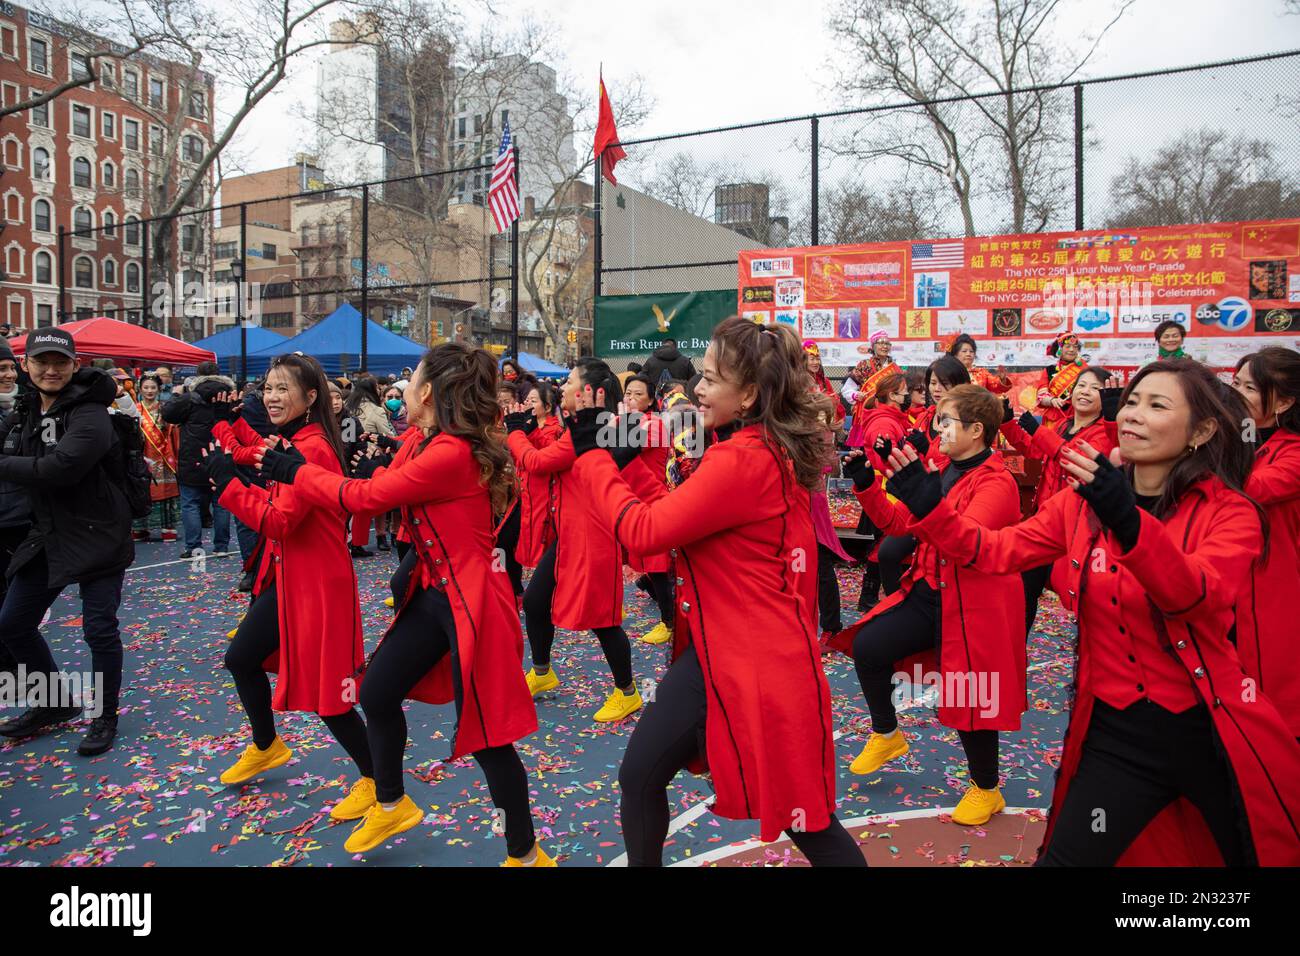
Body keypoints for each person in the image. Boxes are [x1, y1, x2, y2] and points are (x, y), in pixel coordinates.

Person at [891, 359, 1300, 865]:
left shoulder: (1231, 512)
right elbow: (994, 552)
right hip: (1117, 734)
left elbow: (1195, 595)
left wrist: (1128, 523)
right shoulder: (1080, 504)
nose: (1133, 415)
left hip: (1209, 730)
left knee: (1254, 854)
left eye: (1156, 405)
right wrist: (932, 510)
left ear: (1203, 430)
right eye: (1131, 401)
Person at [569, 318, 867, 866]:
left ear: (750, 393)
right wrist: (626, 458)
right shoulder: (753, 445)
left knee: (808, 820)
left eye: (710, 379)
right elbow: (677, 510)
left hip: (753, 657)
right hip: (722, 650)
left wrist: (592, 459)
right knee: (640, 774)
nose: (697, 389)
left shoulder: (743, 457)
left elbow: (644, 531)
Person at [258, 344, 554, 864]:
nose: (405, 386)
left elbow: (363, 499)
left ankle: (526, 854)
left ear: (430, 392)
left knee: (488, 739)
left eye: (413, 377)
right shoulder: (422, 439)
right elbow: (372, 483)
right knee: (376, 692)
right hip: (435, 593)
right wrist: (366, 460)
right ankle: (390, 800)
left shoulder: (451, 452)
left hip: (472, 605)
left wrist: (293, 469)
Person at [832, 385, 1026, 825]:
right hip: (929, 592)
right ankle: (887, 733)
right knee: (869, 647)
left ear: (977, 430)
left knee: (972, 702)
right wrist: (868, 485)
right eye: (937, 419)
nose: (936, 429)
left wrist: (924, 496)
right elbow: (902, 524)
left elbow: (965, 541)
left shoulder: (998, 483)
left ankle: (987, 788)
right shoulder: (942, 468)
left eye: (946, 421)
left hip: (971, 606)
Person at [200, 354, 375, 823]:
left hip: (316, 584)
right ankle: (266, 743)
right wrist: (228, 454)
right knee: (241, 658)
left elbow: (279, 523)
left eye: (282, 389)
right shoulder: (295, 438)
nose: (272, 397)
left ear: (310, 397)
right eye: (267, 388)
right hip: (290, 579)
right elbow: (271, 495)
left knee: (329, 700)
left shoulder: (312, 446)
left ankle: (378, 782)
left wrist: (227, 486)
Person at [0, 329, 134, 756]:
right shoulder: (25, 410)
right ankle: (54, 704)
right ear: (27, 366)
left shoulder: (91, 412)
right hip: (49, 532)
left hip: (99, 533)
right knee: (12, 623)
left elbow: (62, 468)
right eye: (42, 362)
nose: (51, 370)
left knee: (99, 630)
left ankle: (105, 716)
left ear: (75, 364)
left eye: (60, 362)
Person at [502, 359, 642, 723]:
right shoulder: (584, 428)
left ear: (586, 393)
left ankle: (627, 692)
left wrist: (515, 431)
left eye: (569, 382)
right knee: (534, 601)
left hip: (593, 537)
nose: (562, 388)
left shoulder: (591, 431)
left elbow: (535, 461)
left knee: (603, 619)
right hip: (570, 535)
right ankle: (543, 671)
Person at [998, 367, 1121, 635]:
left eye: (1094, 388)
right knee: (1024, 591)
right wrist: (1008, 422)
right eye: (1081, 386)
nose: (1085, 392)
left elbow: (1074, 460)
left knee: (1084, 600)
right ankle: (1016, 652)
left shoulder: (1103, 434)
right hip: (1047, 523)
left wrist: (1038, 431)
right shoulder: (1063, 425)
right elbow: (1034, 450)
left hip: (1080, 527)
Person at [1232, 348, 1300, 737]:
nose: (1237, 394)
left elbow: (1248, 487)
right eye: (1235, 384)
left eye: (1249, 387)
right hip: (1230, 591)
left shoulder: (1292, 453)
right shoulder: (1246, 437)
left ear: (1285, 400)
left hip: (1272, 597)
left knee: (1271, 717)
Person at [619, 373, 676, 645]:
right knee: (639, 565)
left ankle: (669, 623)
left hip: (653, 502)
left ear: (651, 400)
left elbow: (624, 446)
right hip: (630, 502)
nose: (630, 398)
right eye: (628, 393)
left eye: (637, 394)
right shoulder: (626, 421)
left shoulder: (654, 424)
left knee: (657, 568)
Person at [162, 361, 235, 558]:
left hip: (192, 456)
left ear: (198, 375)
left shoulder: (191, 396)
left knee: (190, 503)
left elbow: (168, 414)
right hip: (221, 452)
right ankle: (221, 546)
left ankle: (193, 547)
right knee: (221, 502)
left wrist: (177, 394)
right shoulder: (229, 395)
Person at [803, 342, 851, 640]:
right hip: (801, 478)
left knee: (817, 556)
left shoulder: (815, 389)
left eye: (818, 358)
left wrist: (831, 426)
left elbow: (830, 427)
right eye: (810, 358)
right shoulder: (797, 388)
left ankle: (831, 626)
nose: (816, 363)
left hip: (808, 480)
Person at [0, 340, 31, 678]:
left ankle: (14, 666)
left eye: (11, 368)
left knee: (14, 600)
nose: (9, 375)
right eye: (2, 369)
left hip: (19, 515)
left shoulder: (24, 410)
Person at [344, 375, 396, 555]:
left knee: (353, 503)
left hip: (350, 458)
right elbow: (387, 434)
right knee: (376, 501)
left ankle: (352, 541)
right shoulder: (376, 410)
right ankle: (374, 538)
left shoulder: (348, 409)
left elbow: (347, 438)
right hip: (373, 457)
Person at [134, 374, 180, 542]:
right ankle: (140, 527)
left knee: (165, 492)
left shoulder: (165, 409)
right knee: (141, 491)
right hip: (142, 456)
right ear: (140, 389)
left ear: (159, 389)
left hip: (163, 456)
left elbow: (173, 430)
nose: (149, 391)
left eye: (153, 387)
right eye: (146, 387)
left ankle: (167, 527)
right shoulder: (135, 409)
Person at [1036, 332, 1085, 429]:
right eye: (1067, 346)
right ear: (1059, 349)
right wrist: (1052, 400)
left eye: (1075, 347)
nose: (1072, 350)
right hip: (1055, 417)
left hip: (1079, 416)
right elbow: (1041, 396)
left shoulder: (1084, 369)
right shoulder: (1049, 370)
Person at [947, 333, 1011, 394]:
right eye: (964, 351)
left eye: (971, 351)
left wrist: (1002, 379)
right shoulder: (950, 373)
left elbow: (997, 388)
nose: (968, 354)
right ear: (955, 355)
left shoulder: (981, 373)